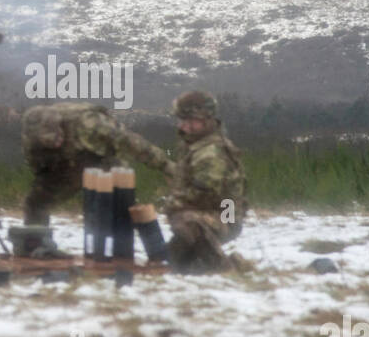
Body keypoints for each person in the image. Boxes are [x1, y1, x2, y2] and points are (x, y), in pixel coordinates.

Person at [21, 102, 171, 225]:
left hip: (101, 158)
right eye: (48, 141)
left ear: (60, 125)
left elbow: (131, 143)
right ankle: (36, 245)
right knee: (35, 202)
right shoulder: (32, 144)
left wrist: (165, 165)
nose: (56, 142)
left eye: (57, 136)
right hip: (65, 164)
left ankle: (124, 249)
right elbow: (40, 173)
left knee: (115, 206)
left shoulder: (89, 123)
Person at [162, 90, 247, 272]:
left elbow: (205, 193)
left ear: (207, 120)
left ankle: (223, 267)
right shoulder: (195, 145)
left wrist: (174, 202)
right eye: (183, 121)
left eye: (193, 121)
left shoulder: (212, 151)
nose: (186, 127)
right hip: (216, 211)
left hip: (227, 215)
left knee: (188, 222)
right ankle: (180, 265)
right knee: (176, 249)